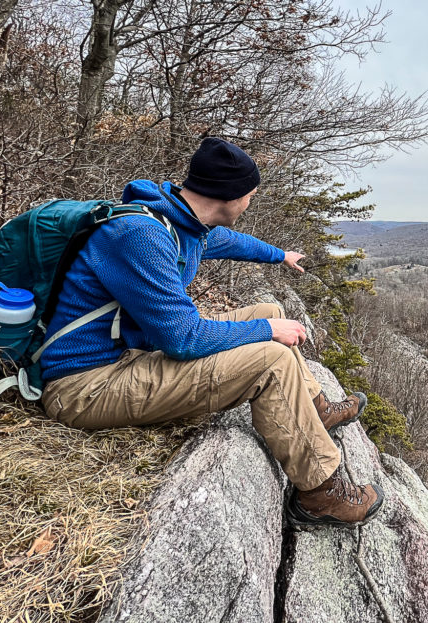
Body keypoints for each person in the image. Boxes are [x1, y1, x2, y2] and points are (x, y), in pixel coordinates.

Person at [39, 137, 384, 527]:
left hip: (129, 354)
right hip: (86, 385)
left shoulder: (179, 220)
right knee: (270, 358)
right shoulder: (141, 236)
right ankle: (323, 494)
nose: (251, 203)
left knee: (270, 309)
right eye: (250, 195)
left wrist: (279, 256)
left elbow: (230, 241)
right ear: (230, 196)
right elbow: (183, 339)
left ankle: (315, 412)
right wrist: (266, 330)